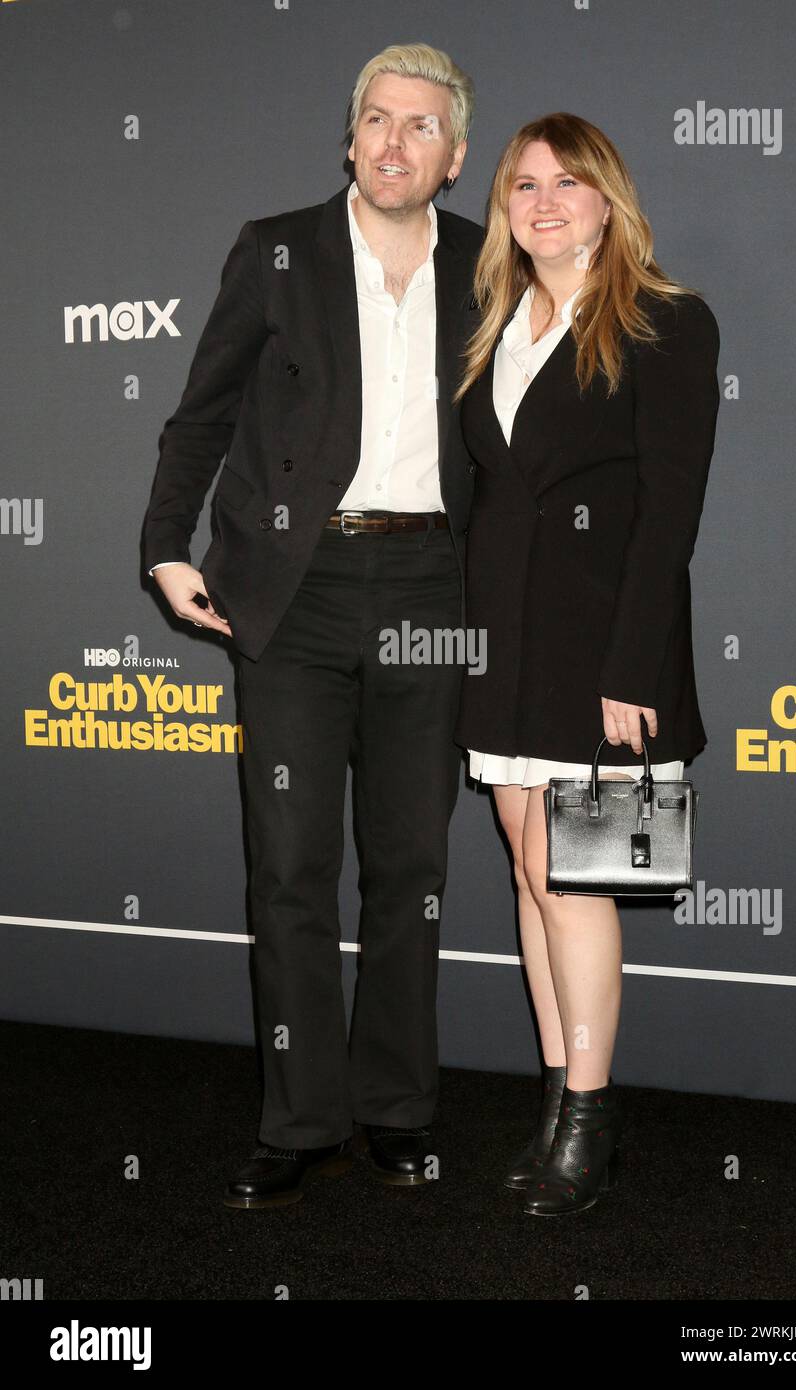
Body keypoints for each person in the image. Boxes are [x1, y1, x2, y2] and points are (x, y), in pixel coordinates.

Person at [141, 44, 484, 1206]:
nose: (393, 143)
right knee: (289, 867)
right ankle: (301, 1119)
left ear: (454, 155)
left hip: (433, 588)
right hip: (292, 588)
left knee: (411, 863)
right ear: (349, 137)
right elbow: (200, 413)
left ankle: (394, 1107)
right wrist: (162, 546)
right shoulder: (274, 247)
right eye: (375, 121)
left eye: (419, 127)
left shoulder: (492, 263)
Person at [452, 113, 721, 1217]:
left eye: (568, 182)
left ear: (609, 199)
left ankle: (591, 1121)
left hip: (602, 650)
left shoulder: (663, 321)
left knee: (577, 879)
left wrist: (634, 670)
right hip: (501, 647)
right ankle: (561, 1094)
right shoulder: (495, 327)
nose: (543, 201)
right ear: (503, 209)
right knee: (527, 869)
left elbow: (668, 515)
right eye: (522, 185)